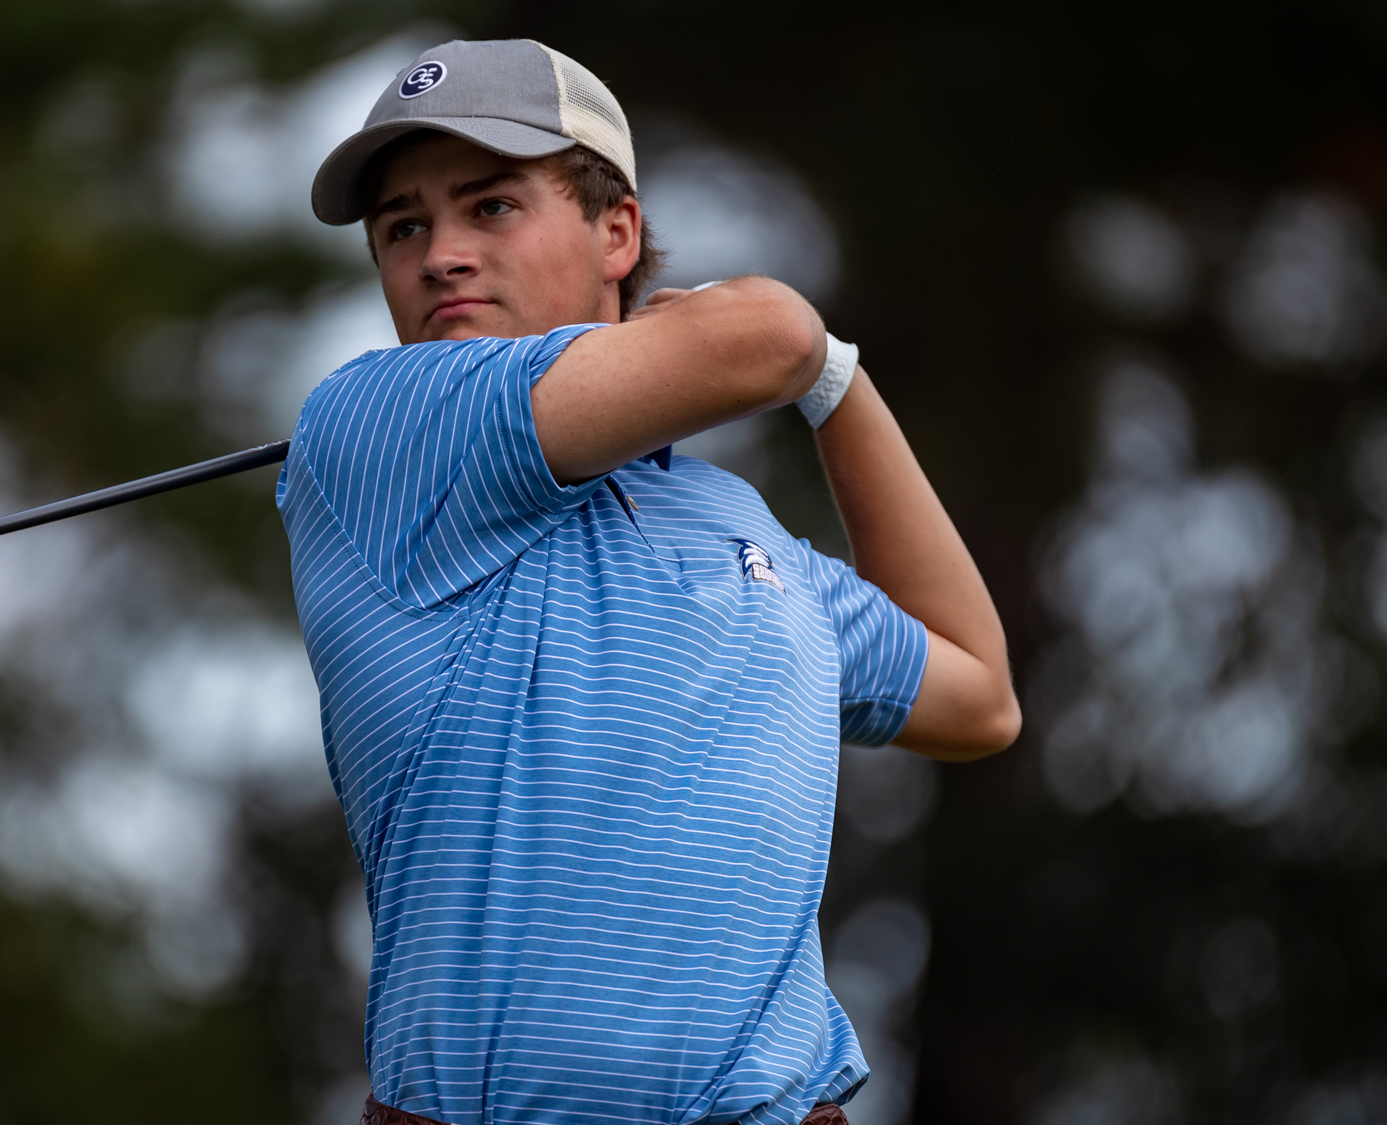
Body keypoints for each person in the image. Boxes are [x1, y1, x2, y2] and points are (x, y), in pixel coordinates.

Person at [277, 38, 1019, 1125]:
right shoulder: (377, 421)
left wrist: (840, 388)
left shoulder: (730, 522)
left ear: (614, 230)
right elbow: (766, 331)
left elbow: (976, 696)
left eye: (489, 208)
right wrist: (789, 347)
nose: (438, 254)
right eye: (403, 227)